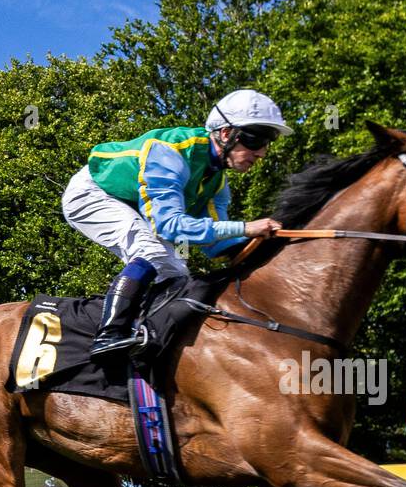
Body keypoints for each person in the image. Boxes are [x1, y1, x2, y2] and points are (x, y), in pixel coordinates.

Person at [61, 89, 290, 358]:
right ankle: (109, 335)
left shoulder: (217, 183)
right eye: (255, 140)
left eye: (267, 143)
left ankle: (146, 340)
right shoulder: (170, 153)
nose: (261, 153)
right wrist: (245, 227)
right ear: (226, 133)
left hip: (135, 207)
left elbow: (217, 245)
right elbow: (169, 226)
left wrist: (269, 244)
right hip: (93, 193)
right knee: (151, 252)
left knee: (177, 276)